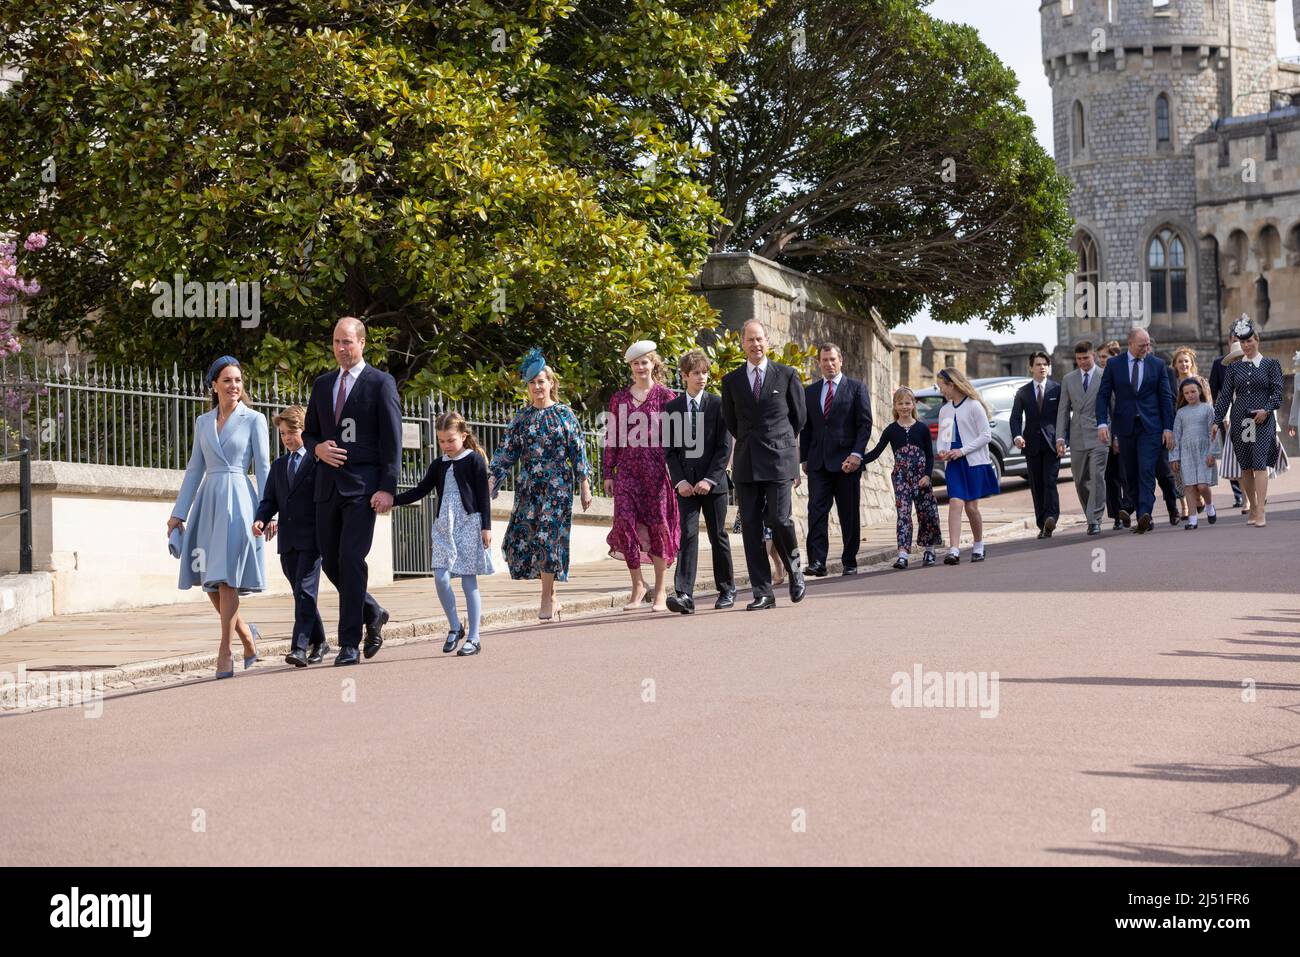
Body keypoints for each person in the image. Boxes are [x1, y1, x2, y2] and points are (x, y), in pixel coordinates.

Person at [302, 317, 401, 665]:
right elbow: (309, 433)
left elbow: (392, 440)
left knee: (351, 560)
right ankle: (372, 611)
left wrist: (388, 488)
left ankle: (348, 644)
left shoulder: (380, 383)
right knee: (330, 561)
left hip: (362, 490)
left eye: (347, 342)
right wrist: (317, 449)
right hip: (326, 488)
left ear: (362, 343)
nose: (341, 349)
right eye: (336, 342)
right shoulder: (323, 384)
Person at [167, 356, 269, 678]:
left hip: (239, 503)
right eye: (227, 380)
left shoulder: (255, 420)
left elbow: (264, 468)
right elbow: (195, 468)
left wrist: (269, 512)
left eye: (238, 380)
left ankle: (224, 650)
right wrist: (178, 514)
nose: (234, 386)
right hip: (208, 502)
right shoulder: (202, 423)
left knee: (227, 578)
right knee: (208, 580)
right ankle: (246, 635)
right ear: (214, 385)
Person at [488, 350, 594, 620]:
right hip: (529, 487)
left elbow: (578, 449)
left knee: (548, 539)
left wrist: (584, 484)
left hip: (557, 485)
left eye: (541, 381)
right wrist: (492, 478)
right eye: (532, 382)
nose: (537, 386)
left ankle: (545, 599)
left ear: (551, 384)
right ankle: (553, 594)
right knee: (525, 540)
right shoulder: (521, 418)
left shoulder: (563, 414)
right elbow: (506, 451)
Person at [720, 320, 807, 610]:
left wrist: (784, 446)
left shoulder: (786, 375)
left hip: (779, 460)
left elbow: (799, 419)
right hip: (747, 463)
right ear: (742, 344)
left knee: (779, 520)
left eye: (760, 339)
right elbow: (731, 422)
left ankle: (794, 568)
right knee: (752, 528)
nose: (755, 345)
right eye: (750, 340)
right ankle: (763, 592)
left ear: (767, 342)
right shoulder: (731, 381)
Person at [394, 412, 494, 656]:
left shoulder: (474, 460)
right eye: (442, 441)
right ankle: (454, 626)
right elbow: (420, 490)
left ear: (463, 436)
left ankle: (474, 637)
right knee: (440, 577)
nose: (446, 445)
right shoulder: (438, 465)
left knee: (469, 581)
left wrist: (486, 527)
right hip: (443, 525)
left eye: (451, 440)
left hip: (469, 522)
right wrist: (391, 500)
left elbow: (483, 495)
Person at [603, 340, 679, 612]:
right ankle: (637, 584)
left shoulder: (666, 396)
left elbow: (677, 436)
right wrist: (607, 472)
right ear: (631, 368)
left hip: (657, 473)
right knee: (625, 523)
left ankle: (660, 589)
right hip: (627, 471)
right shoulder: (619, 398)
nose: (640, 367)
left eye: (645, 362)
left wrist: (678, 471)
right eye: (636, 364)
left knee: (658, 527)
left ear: (653, 363)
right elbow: (611, 436)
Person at [253, 406, 329, 667]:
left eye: (292, 432)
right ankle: (320, 642)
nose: (286, 438)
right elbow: (269, 500)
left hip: (312, 539)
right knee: (301, 593)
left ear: (304, 431)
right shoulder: (279, 466)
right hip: (287, 541)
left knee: (306, 592)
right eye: (283, 433)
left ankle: (299, 647)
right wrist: (261, 519)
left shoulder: (318, 460)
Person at [664, 350, 735, 615]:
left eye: (705, 372)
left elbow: (723, 448)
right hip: (686, 487)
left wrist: (709, 479)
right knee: (688, 535)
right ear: (684, 376)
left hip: (713, 485)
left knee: (718, 536)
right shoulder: (672, 408)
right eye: (696, 373)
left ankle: (727, 589)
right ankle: (684, 594)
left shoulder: (718, 405)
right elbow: (670, 451)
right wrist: (680, 481)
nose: (702, 377)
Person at [799, 343, 873, 576]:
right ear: (818, 363)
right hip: (818, 463)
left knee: (848, 513)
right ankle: (817, 562)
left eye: (833, 359)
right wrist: (804, 458)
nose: (829, 364)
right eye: (824, 360)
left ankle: (849, 560)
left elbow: (864, 425)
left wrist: (856, 455)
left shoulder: (856, 388)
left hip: (846, 464)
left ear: (841, 361)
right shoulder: (810, 392)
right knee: (816, 512)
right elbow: (807, 427)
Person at [1095, 327, 1174, 534]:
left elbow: (1166, 398)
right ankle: (1141, 512)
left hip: (1151, 427)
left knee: (1146, 470)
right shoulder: (1114, 364)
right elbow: (1103, 395)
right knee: (1130, 473)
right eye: (1142, 345)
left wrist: (1168, 427)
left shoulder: (1157, 365)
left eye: (1148, 344)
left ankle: (1143, 515)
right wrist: (1102, 423)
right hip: (1125, 427)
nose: (1146, 348)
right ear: (1130, 344)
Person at [1213, 316, 1284, 527]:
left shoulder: (1271, 364)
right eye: (1242, 342)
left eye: (1249, 341)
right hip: (1240, 420)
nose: (1246, 345)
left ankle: (1261, 509)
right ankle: (1252, 505)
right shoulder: (1234, 369)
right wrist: (1216, 420)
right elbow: (1225, 395)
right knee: (1246, 465)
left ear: (1257, 340)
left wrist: (1267, 410)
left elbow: (1278, 393)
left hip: (1263, 420)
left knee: (1260, 463)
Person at [862, 387, 942, 568]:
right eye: (900, 403)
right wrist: (858, 461)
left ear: (913, 405)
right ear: (895, 406)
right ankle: (903, 554)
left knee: (926, 513)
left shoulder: (922, 428)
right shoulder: (891, 430)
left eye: (908, 403)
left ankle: (929, 550)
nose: (904, 407)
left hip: (921, 477)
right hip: (901, 478)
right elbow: (876, 452)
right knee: (903, 514)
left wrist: (927, 476)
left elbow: (930, 455)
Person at [934, 367, 998, 564]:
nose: (940, 390)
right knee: (955, 503)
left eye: (941, 386)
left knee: (971, 508)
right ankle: (953, 549)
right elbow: (943, 438)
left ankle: (979, 545)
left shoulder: (973, 406)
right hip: (954, 464)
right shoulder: (944, 410)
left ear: (951, 384)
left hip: (973, 462)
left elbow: (986, 435)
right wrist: (943, 451)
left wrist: (962, 451)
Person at [1055, 341, 1108, 535]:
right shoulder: (1069, 379)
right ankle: (1090, 514)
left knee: (1096, 476)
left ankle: (1095, 519)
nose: (1082, 362)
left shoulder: (1104, 376)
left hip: (1100, 433)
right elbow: (1062, 410)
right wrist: (1060, 438)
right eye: (1078, 359)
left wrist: (1114, 433)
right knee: (1079, 480)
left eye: (1085, 358)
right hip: (1077, 435)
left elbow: (1113, 406)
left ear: (1093, 355)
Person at [1010, 351, 1062, 538]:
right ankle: (1043, 525)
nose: (1042, 367)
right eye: (1038, 364)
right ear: (1031, 367)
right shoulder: (1023, 392)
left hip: (1052, 443)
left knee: (1050, 481)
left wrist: (1063, 439)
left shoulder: (1057, 389)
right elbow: (1015, 417)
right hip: (1031, 444)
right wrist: (1017, 436)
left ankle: (1051, 517)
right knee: (1037, 485)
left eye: (1045, 364)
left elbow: (1063, 416)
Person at [1166, 347, 1212, 521]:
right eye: (1180, 361)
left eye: (1186, 361)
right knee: (1178, 469)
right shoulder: (1170, 383)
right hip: (1177, 430)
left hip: (1198, 432)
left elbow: (1209, 404)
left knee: (1199, 470)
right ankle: (1184, 505)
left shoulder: (1201, 382)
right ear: (1175, 365)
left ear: (1192, 363)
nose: (1183, 364)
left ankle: (1199, 497)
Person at [1170, 378, 1219, 529]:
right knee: (1189, 487)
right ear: (1183, 395)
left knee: (1203, 486)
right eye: (1186, 393)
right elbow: (1176, 435)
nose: (1190, 395)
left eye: (1193, 391)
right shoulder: (1180, 413)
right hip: (1186, 453)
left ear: (1199, 391)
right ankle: (1192, 520)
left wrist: (1213, 452)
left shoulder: (1208, 409)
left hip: (1204, 451)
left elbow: (1214, 433)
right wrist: (1174, 457)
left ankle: (1209, 506)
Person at [1209, 332, 1246, 509]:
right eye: (1235, 340)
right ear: (1229, 341)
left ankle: (1252, 493)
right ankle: (1239, 495)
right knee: (1233, 456)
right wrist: (1220, 417)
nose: (1238, 343)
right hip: (1228, 419)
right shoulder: (1219, 364)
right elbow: (1215, 392)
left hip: (1251, 419)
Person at [1097, 341, 1128, 529]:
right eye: (1100, 357)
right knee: (1110, 477)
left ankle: (1128, 508)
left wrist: (1117, 435)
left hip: (1122, 433)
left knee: (1125, 474)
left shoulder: (1122, 378)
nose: (1102, 361)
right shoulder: (1099, 378)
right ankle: (1116, 515)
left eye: (1105, 357)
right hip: (1104, 436)